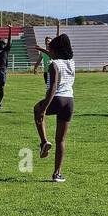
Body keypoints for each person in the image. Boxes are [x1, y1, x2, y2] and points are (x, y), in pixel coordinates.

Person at [34, 31, 75, 182]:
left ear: (55, 51)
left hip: (57, 98)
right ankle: (57, 174)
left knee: (36, 110)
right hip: (69, 101)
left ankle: (44, 141)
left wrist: (45, 106)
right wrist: (42, 49)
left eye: (51, 50)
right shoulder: (71, 62)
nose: (49, 52)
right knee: (61, 140)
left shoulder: (53, 64)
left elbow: (53, 87)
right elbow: (55, 53)